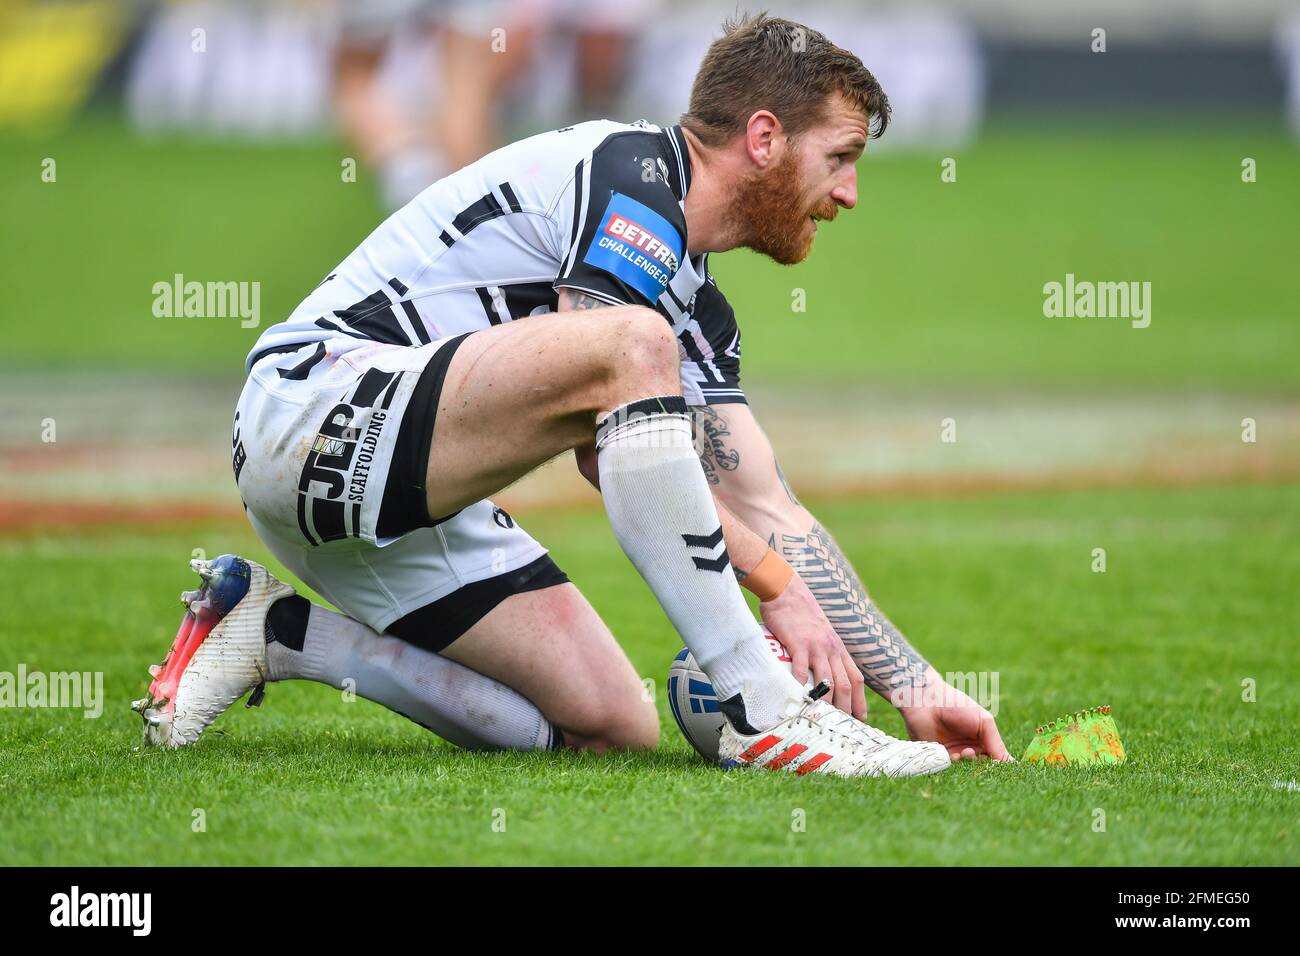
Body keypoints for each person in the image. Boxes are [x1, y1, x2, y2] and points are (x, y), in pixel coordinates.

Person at [134, 14, 1010, 776]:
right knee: (632, 345)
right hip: (312, 415)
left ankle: (281, 633)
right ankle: (765, 710)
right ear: (766, 138)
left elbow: (763, 499)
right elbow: (606, 422)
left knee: (608, 726)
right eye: (842, 158)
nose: (848, 194)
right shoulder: (631, 178)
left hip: (407, 492)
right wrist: (771, 588)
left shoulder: (697, 306)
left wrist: (916, 685)